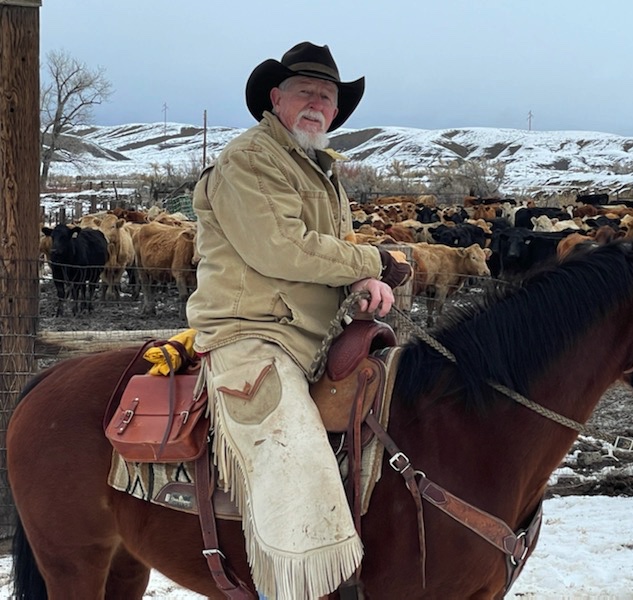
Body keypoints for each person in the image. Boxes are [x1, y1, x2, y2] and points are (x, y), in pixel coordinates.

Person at [186, 41, 411, 599]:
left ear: (336, 112)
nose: (317, 103)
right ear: (276, 98)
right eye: (306, 91)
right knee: (296, 460)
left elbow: (330, 250)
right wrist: (373, 261)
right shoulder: (250, 159)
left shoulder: (319, 171)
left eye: (328, 97)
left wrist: (361, 283)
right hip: (253, 335)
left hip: (316, 338)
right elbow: (280, 248)